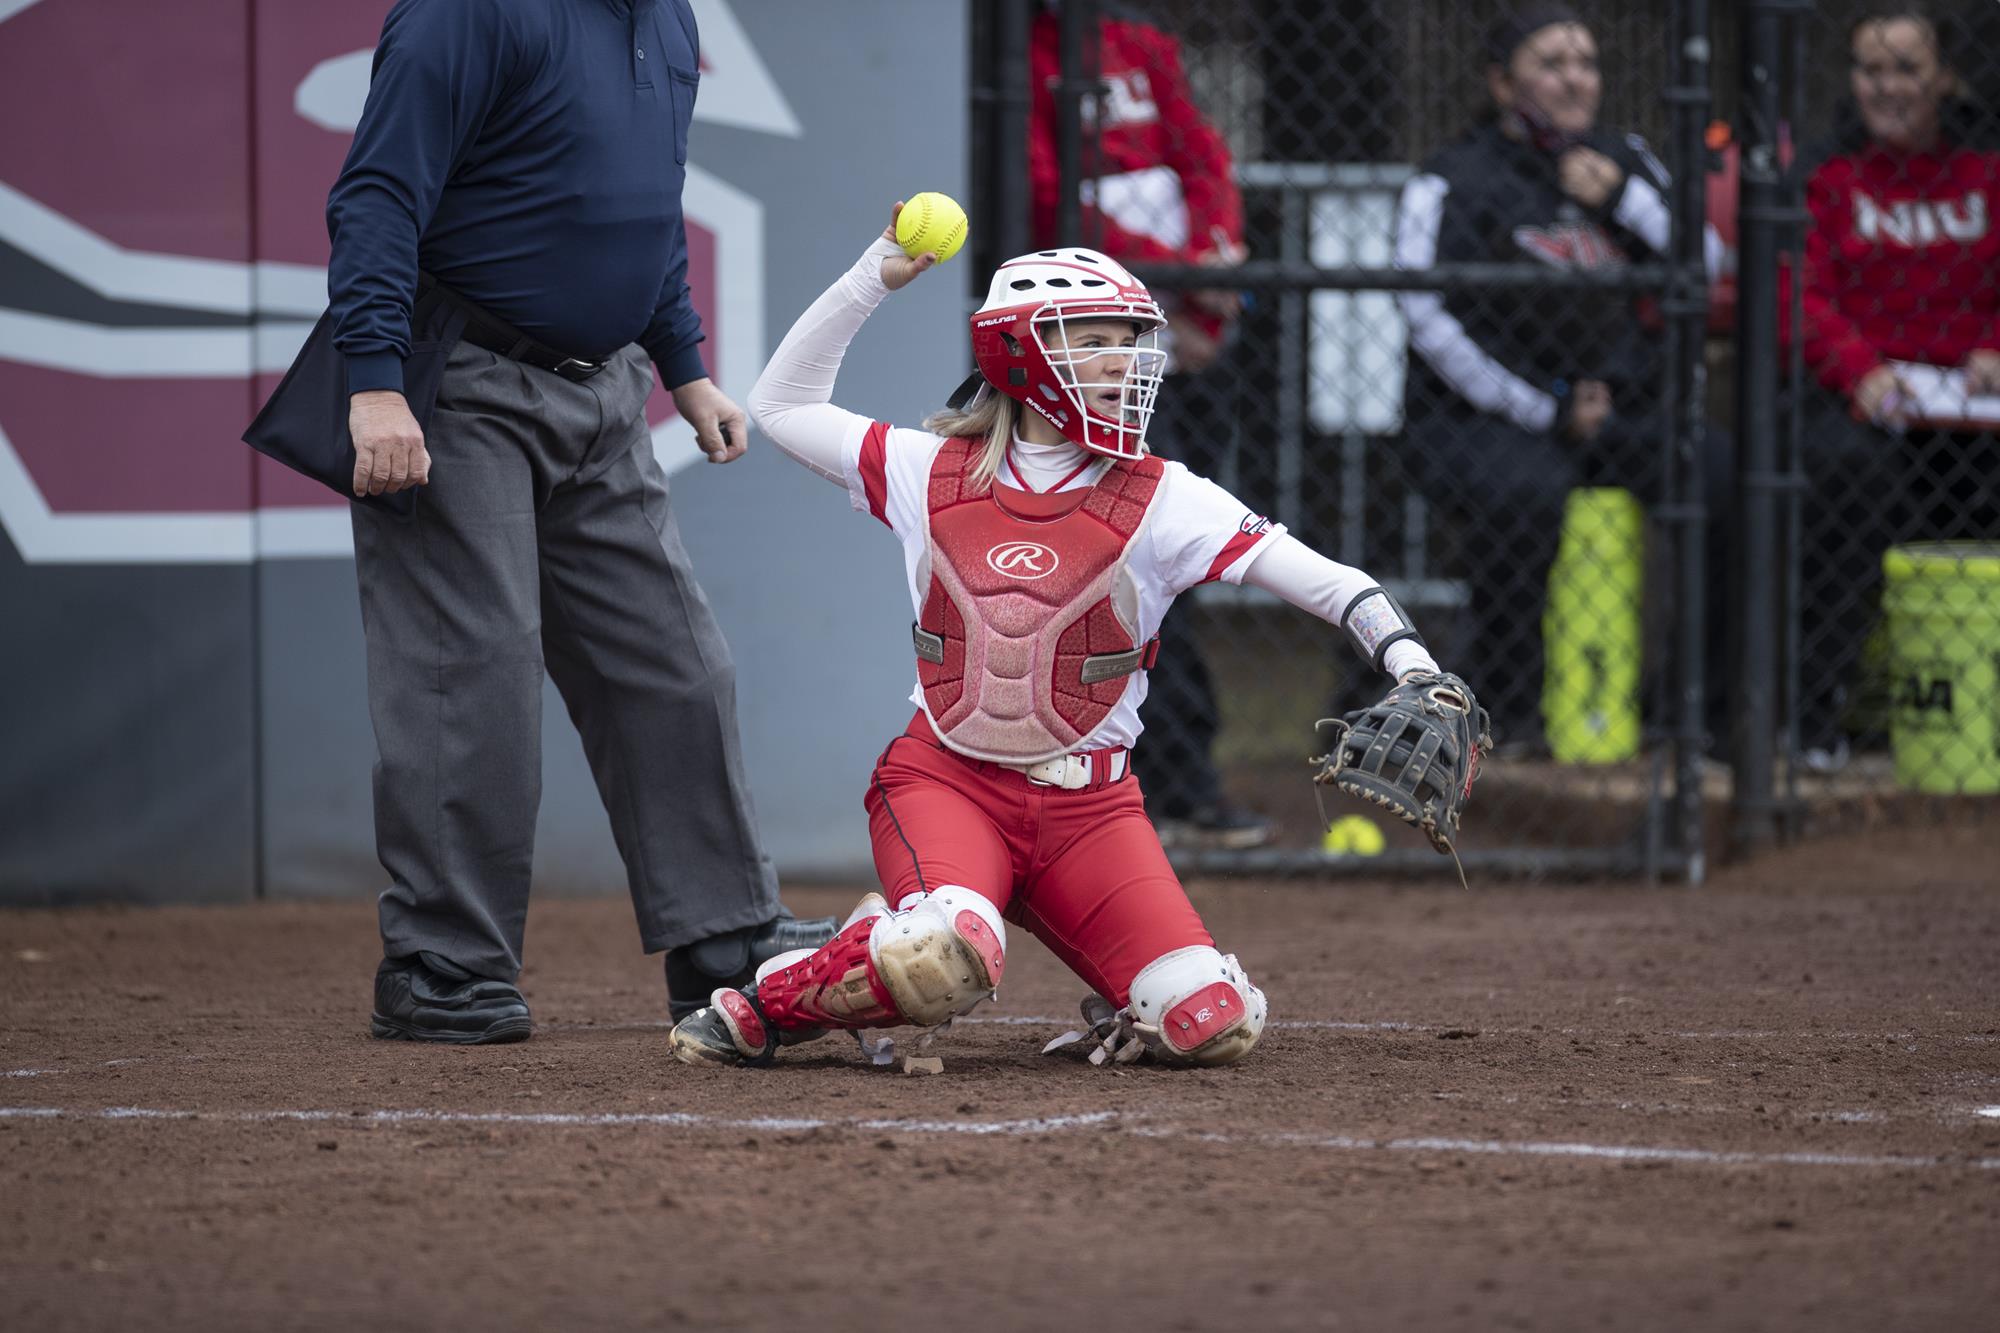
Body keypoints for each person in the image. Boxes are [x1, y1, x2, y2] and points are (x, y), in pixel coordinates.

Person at [665, 206, 1456, 1070]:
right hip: (948, 782)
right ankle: (767, 1002)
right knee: (944, 956)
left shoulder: (1166, 494)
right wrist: (872, 275)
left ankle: (894, 938)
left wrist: (1412, 661)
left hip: (1092, 812)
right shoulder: (927, 468)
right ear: (1021, 353)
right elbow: (782, 404)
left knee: (1211, 1017)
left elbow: (1335, 583)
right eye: (1099, 341)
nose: (1130, 362)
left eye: (1132, 340)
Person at [325, 0, 832, 1044]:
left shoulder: (668, 18)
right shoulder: (467, 11)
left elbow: (645, 207)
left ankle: (724, 938)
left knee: (675, 663)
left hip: (603, 392)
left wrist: (684, 366)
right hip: (457, 382)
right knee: (472, 679)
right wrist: (374, 383)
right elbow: (376, 194)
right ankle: (443, 962)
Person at [1394, 5, 1732, 752]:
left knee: (1719, 472)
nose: (1576, 78)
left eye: (1587, 62)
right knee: (1524, 495)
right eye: (1552, 62)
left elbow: (1707, 265)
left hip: (1615, 408)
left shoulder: (1625, 159)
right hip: (1485, 414)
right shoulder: (1454, 177)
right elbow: (1426, 316)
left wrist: (1618, 199)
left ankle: (1690, 712)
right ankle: (1513, 716)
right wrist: (1541, 406)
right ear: (1502, 80)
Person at [1027, 5, 1269, 847]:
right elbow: (1050, 200)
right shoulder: (1021, 55)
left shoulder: (1140, 44)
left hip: (1190, 325)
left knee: (1187, 543)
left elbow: (1203, 156)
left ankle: (1186, 779)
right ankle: (1150, 779)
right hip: (1096, 332)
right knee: (1122, 553)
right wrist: (1158, 288)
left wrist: (1208, 263)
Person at [1787, 8, 2000, 769]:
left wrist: (1994, 348)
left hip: (1975, 406)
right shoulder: (1824, 171)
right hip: (1866, 399)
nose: (1888, 87)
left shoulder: (1987, 167)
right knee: (1844, 475)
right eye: (1871, 70)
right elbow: (1799, 297)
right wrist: (1862, 370)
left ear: (1943, 78)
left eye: (1907, 69)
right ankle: (1810, 721)